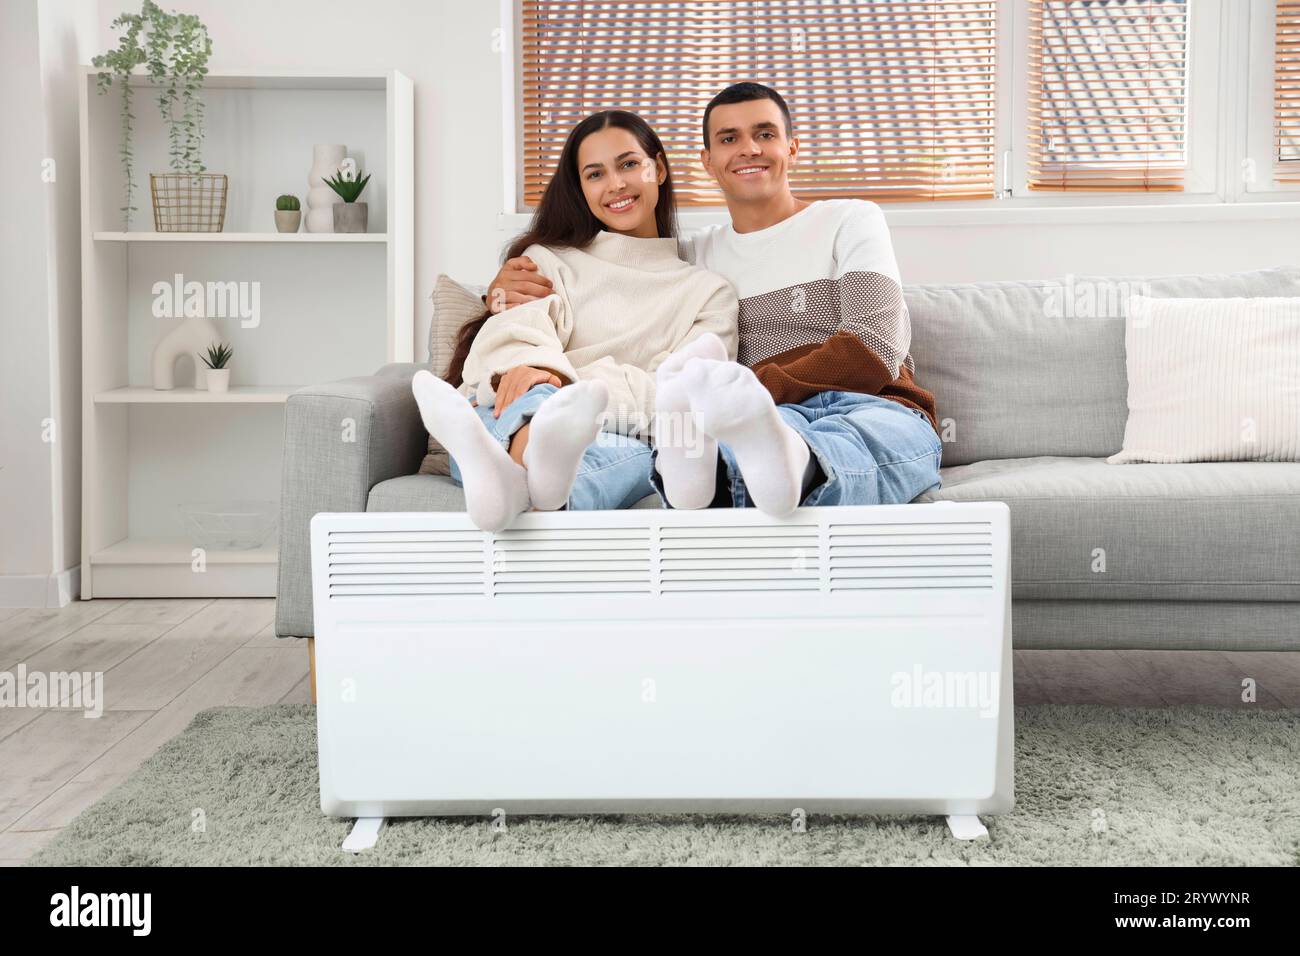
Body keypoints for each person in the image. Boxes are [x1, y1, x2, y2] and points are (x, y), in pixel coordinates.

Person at [488, 82, 942, 517]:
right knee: (734, 454)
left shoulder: (850, 219)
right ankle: (763, 462)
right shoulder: (694, 259)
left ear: (792, 148)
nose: (749, 148)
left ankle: (789, 462)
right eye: (730, 138)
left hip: (870, 403)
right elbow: (621, 272)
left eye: (765, 134)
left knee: (856, 442)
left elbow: (875, 348)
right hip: (754, 422)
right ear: (708, 161)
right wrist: (504, 291)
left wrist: (745, 391)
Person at [412, 110, 739, 531]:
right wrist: (542, 379)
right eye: (595, 174)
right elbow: (514, 332)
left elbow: (682, 391)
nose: (616, 184)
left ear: (657, 169)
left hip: (624, 431)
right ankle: (534, 464)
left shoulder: (708, 292)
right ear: (581, 189)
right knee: (520, 403)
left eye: (627, 164)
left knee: (637, 453)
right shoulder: (547, 262)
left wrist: (563, 381)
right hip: (524, 410)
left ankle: (509, 479)